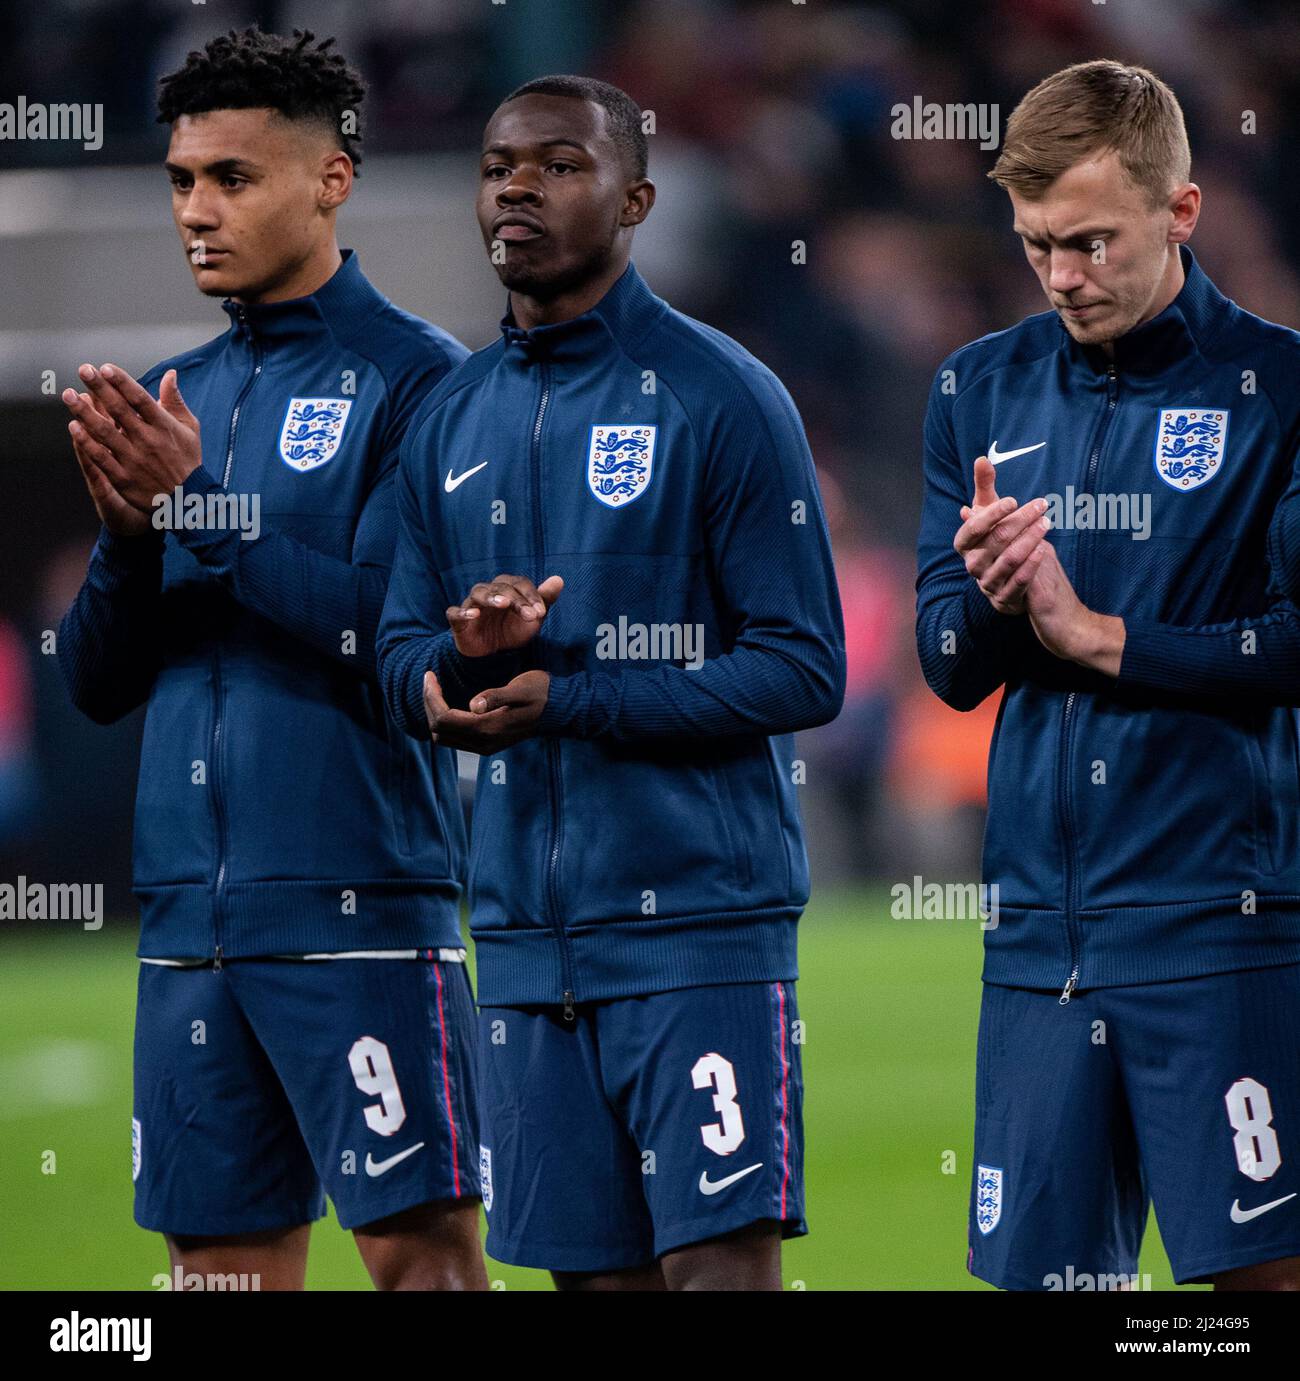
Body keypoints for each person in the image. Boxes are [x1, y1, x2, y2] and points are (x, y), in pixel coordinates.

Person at [377, 75, 845, 1290]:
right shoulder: (447, 416)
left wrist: (578, 699)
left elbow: (804, 666)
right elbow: (393, 656)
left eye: (559, 165)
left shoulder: (723, 394)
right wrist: (459, 669)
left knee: (719, 1277)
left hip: (699, 935)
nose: (517, 188)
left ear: (635, 201)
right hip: (524, 949)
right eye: (498, 167)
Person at [57, 27, 485, 1291]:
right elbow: (95, 683)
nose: (197, 210)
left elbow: (394, 631)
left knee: (419, 1259)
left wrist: (198, 513)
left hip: (358, 903)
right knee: (218, 1272)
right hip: (188, 922)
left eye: (233, 178)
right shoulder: (171, 391)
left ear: (331, 179)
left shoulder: (419, 380)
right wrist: (131, 540)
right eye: (182, 180)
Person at [916, 59, 1300, 1291]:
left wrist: (1099, 638)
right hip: (1038, 938)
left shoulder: (1278, 390)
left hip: (1222, 931)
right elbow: (945, 665)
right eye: (1036, 244)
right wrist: (992, 601)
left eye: (1090, 242)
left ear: (1179, 211)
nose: (1061, 276)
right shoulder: (976, 387)